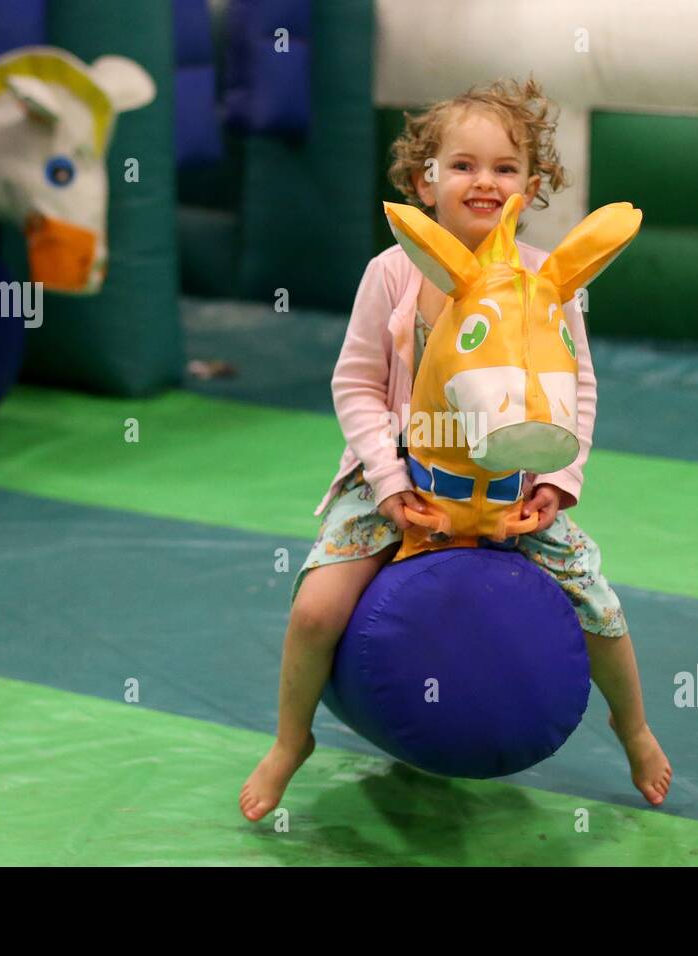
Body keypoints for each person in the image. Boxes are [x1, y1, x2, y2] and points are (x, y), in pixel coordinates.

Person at [240, 76, 672, 822]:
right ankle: (289, 740)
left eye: (505, 168)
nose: (485, 181)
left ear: (530, 188)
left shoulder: (547, 283)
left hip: (510, 491)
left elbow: (580, 387)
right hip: (404, 478)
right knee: (316, 610)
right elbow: (356, 387)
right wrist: (383, 480)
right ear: (423, 180)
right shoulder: (392, 273)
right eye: (464, 164)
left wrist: (558, 482)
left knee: (601, 609)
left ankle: (633, 728)